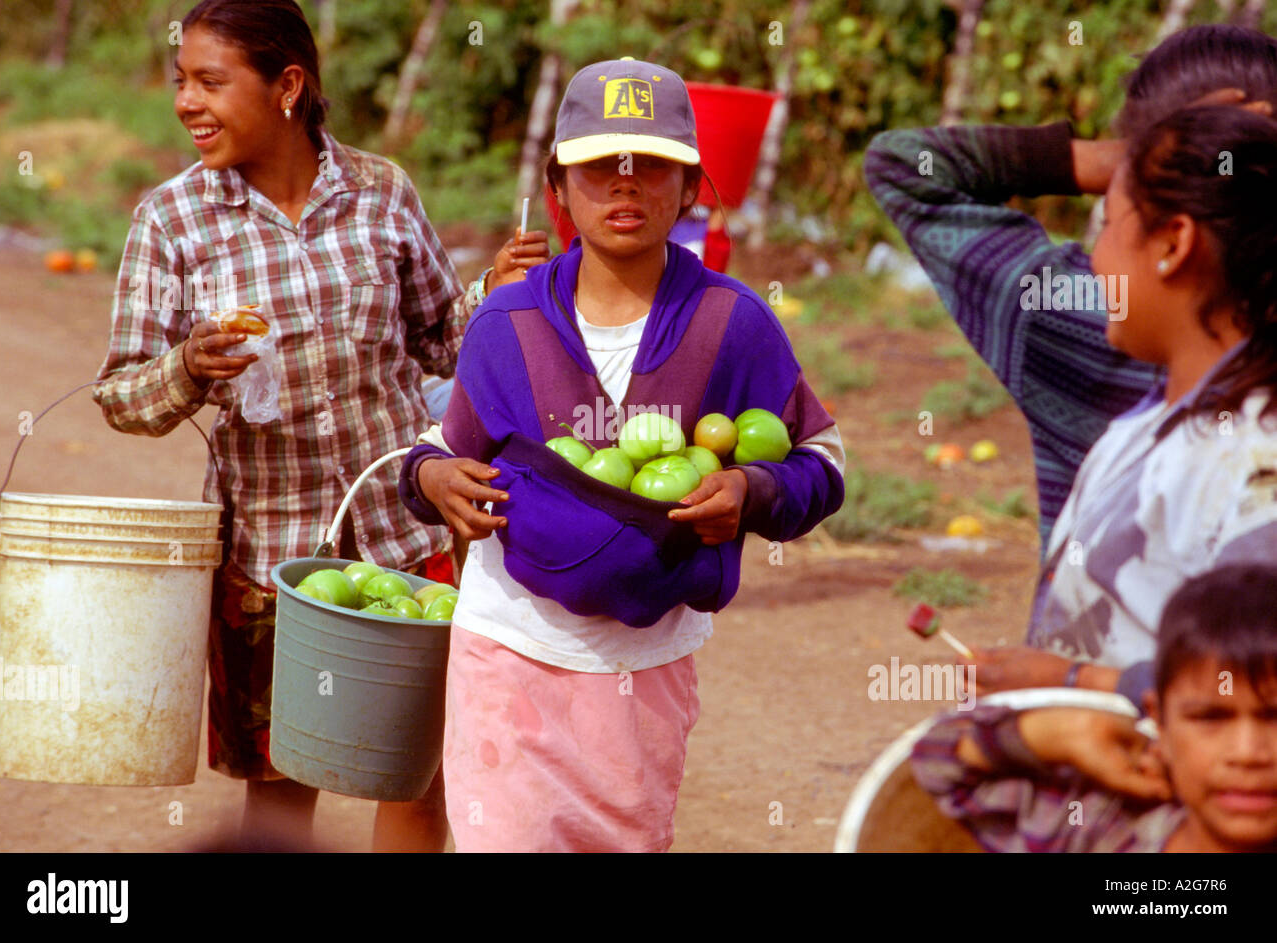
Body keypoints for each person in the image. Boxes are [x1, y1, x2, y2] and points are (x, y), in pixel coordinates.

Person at [92, 0, 545, 851]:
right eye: (181, 82)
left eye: (210, 82)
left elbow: (441, 338)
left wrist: (492, 290)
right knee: (282, 786)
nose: (186, 101)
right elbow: (119, 397)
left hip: (408, 536)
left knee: (417, 773)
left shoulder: (381, 192)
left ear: (288, 86)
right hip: (268, 559)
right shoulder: (173, 221)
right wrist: (188, 366)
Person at [398, 57, 846, 851]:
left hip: (647, 664)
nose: (625, 187)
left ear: (690, 187)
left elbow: (823, 461)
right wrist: (432, 477)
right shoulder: (507, 323)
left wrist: (752, 486)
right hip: (509, 648)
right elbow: (442, 446)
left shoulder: (731, 323)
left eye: (651, 168)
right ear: (557, 189)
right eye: (601, 168)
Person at [864, 24, 1277, 701]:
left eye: (1110, 222)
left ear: (1173, 239)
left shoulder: (1242, 450)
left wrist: (1072, 681)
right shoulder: (1146, 418)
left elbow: (1249, 699)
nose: (1095, 259)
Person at [909, 564, 1277, 852]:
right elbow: (934, 762)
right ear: (1159, 723)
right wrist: (1054, 734)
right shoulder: (1098, 830)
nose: (1247, 754)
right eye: (1210, 717)